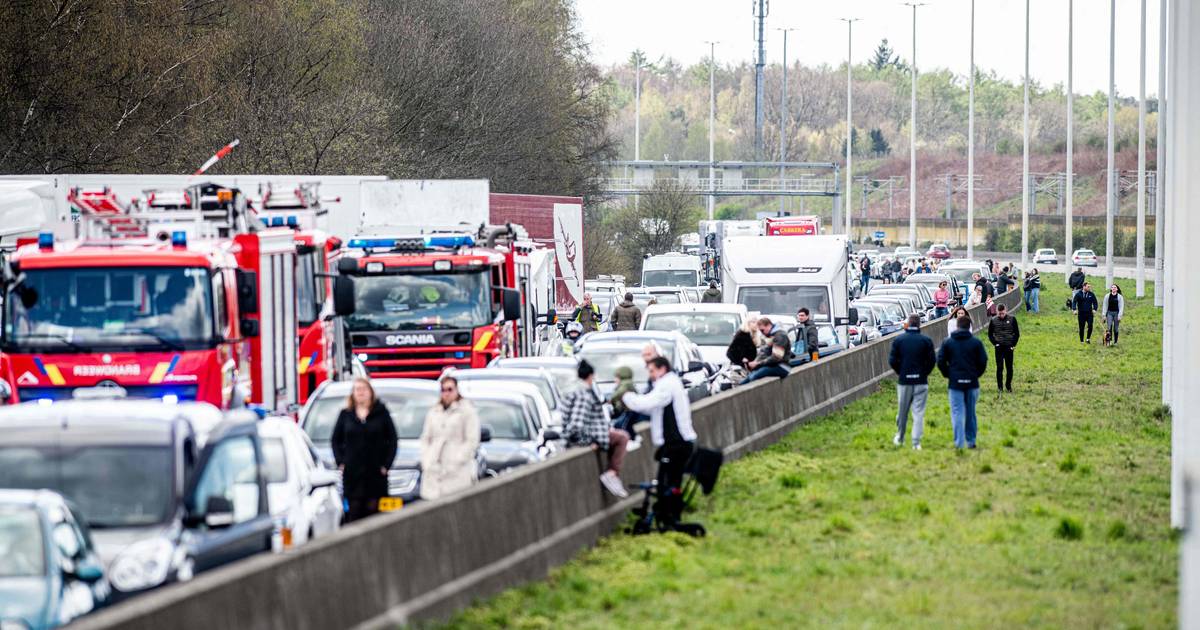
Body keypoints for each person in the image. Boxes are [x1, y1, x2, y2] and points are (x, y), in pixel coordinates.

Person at [621, 355, 698, 531]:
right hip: (676, 443)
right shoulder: (669, 383)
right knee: (669, 482)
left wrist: (626, 396)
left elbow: (647, 403)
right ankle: (668, 517)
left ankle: (671, 519)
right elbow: (651, 408)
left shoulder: (667, 385)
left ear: (662, 369)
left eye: (652, 371)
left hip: (676, 443)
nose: (651, 375)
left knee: (668, 483)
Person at [331, 377, 398, 521]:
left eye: (364, 389)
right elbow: (335, 440)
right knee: (354, 514)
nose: (360, 392)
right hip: (353, 476)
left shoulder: (381, 412)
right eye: (357, 389)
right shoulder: (346, 415)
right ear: (353, 393)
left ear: (371, 392)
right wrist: (341, 462)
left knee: (374, 514)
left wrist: (386, 465)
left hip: (375, 474)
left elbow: (392, 440)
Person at [563, 360, 630, 498]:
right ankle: (611, 473)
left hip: (591, 432)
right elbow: (576, 423)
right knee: (622, 438)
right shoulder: (584, 394)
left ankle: (612, 474)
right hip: (593, 434)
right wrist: (587, 441)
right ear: (591, 376)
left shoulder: (573, 389)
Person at [418, 375, 480, 501]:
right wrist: (426, 460)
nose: (446, 393)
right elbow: (425, 438)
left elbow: (472, 440)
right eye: (443, 390)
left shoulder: (467, 411)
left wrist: (458, 459)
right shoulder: (433, 412)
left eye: (450, 389)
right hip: (434, 469)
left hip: (457, 471)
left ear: (457, 390)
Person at [937, 315, 989, 449]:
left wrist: (948, 374)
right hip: (972, 382)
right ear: (969, 326)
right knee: (970, 412)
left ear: (957, 326)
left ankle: (959, 443)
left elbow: (941, 361)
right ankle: (971, 441)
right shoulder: (976, 342)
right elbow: (983, 361)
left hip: (955, 383)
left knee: (957, 412)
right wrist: (976, 374)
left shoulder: (948, 342)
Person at [888, 314, 936, 450]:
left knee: (903, 411)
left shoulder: (899, 340)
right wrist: (924, 373)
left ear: (908, 324)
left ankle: (900, 437)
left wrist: (901, 372)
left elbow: (892, 360)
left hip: (904, 381)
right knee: (918, 412)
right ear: (919, 325)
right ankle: (916, 442)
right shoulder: (926, 341)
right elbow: (932, 361)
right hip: (921, 381)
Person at [740, 317, 791, 384]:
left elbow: (776, 357)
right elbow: (764, 353)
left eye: (762, 330)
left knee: (754, 376)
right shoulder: (772, 336)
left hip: (781, 367)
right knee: (748, 378)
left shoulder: (780, 336)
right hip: (774, 365)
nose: (762, 333)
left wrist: (758, 363)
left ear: (768, 325)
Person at [987, 303, 1020, 393]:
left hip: (1009, 346)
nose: (1001, 315)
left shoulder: (1012, 319)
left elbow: (1016, 333)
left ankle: (1008, 386)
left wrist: (1013, 345)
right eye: (999, 313)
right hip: (999, 347)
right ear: (997, 312)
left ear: (1006, 311)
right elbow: (990, 334)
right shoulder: (993, 321)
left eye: (1003, 313)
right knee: (999, 367)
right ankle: (1000, 387)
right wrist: (995, 343)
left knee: (1009, 368)